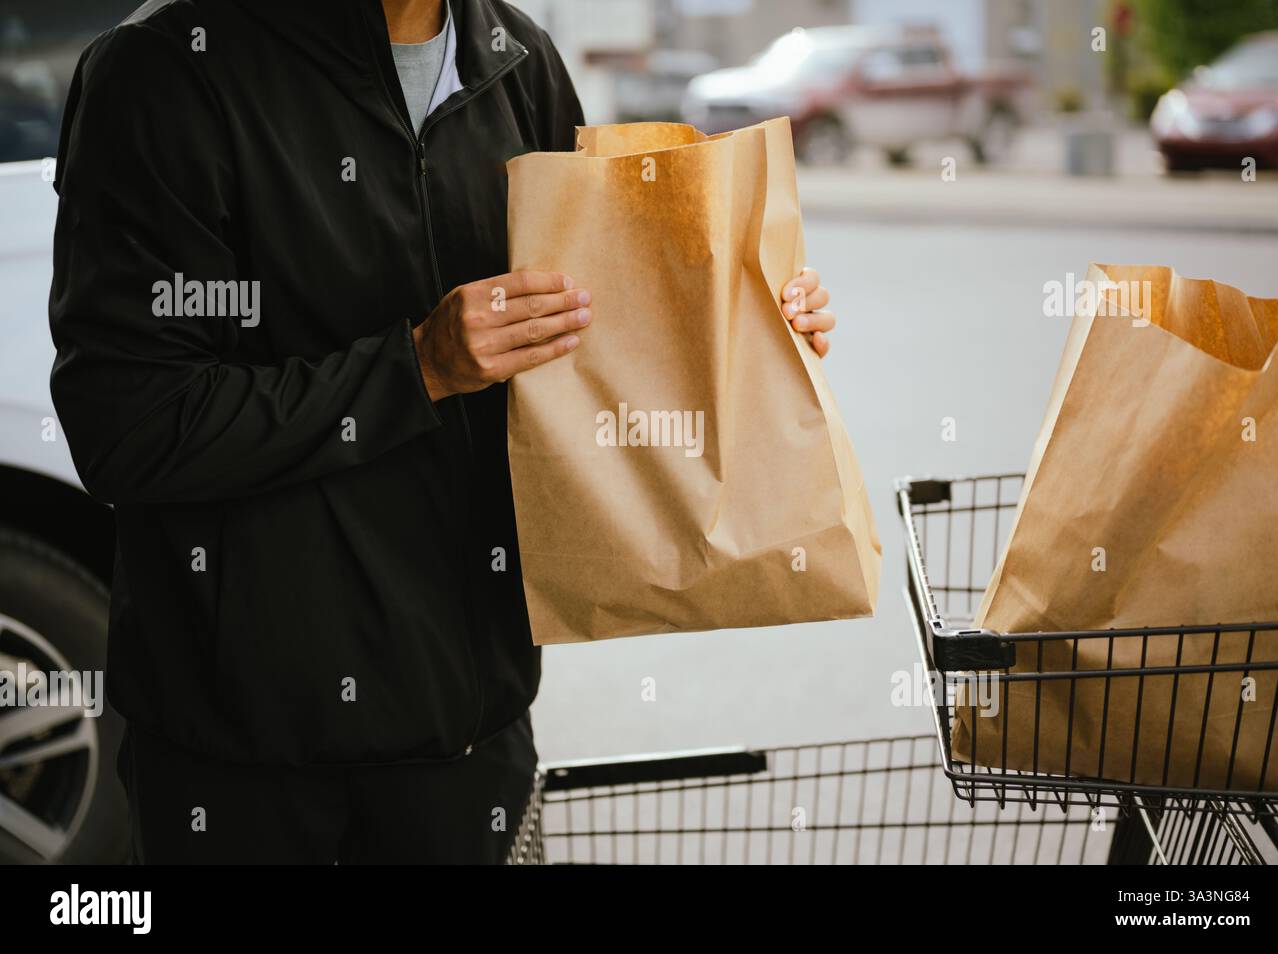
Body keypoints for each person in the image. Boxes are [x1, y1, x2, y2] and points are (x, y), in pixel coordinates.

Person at [47, 0, 837, 864]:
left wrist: (748, 323)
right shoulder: (166, 69)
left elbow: (590, 341)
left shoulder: (517, 59)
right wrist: (417, 367)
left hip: (472, 730)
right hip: (247, 756)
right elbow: (128, 427)